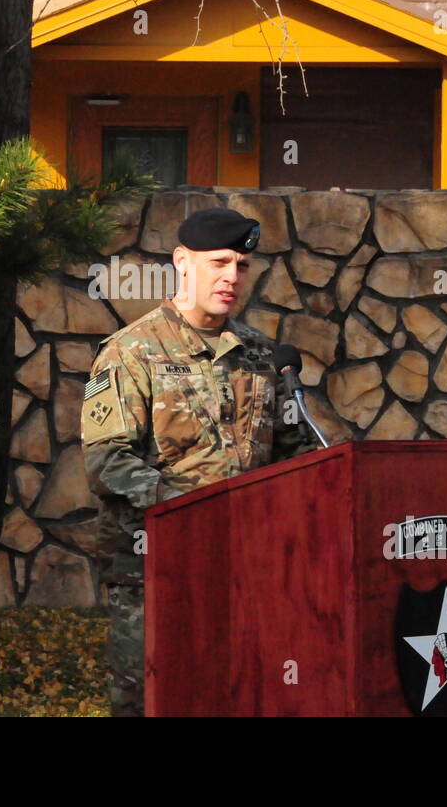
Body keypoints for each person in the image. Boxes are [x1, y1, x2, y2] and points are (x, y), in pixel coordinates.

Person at [80, 206, 315, 716]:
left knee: (238, 696)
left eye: (242, 266)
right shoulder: (131, 352)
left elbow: (295, 454)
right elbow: (106, 461)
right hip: (156, 570)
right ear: (183, 263)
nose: (232, 277)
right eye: (219, 263)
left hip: (244, 568)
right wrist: (193, 510)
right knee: (156, 702)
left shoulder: (262, 356)